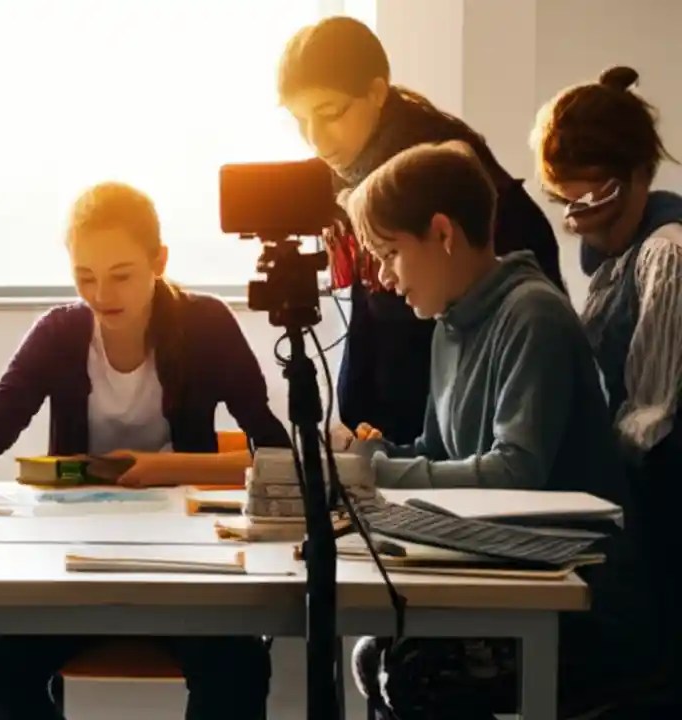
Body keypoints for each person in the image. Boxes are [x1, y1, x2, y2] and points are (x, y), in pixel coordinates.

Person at [0, 181, 289, 720]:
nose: (102, 294)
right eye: (85, 277)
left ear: (158, 261)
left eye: (121, 275)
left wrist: (164, 468)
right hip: (76, 560)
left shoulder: (206, 325)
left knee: (239, 666)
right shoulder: (60, 332)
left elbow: (275, 452)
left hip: (190, 564)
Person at [343, 142, 654, 718]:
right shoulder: (450, 325)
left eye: (389, 253)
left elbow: (515, 470)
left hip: (578, 590)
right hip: (507, 567)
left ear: (442, 233)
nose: (383, 277)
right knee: (376, 656)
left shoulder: (532, 314)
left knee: (415, 671)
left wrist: (371, 472)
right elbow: (440, 453)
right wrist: (367, 454)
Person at [277, 15, 565, 446]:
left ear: (377, 92)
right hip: (414, 427)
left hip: (474, 435)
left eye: (329, 113)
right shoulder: (350, 172)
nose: (314, 139)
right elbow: (373, 312)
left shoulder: (435, 174)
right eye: (299, 120)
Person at [532, 65, 682, 699]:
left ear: (639, 173)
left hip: (665, 496)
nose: (585, 222)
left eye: (596, 200)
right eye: (568, 204)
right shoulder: (620, 254)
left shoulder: (666, 253)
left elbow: (650, 417)